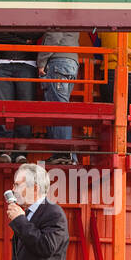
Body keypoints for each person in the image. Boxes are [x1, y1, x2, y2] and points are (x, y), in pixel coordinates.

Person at [0, 31, 43, 162]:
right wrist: (23, 40)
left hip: (27, 64)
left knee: (25, 110)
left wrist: (11, 37)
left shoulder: (33, 14)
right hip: (5, 63)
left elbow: (36, 34)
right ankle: (6, 151)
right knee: (2, 108)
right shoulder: (1, 16)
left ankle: (21, 153)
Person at [37, 31, 81, 164]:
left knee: (59, 109)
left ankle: (64, 153)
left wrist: (41, 62)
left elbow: (54, 36)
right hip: (71, 62)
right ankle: (62, 154)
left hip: (58, 62)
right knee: (61, 108)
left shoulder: (56, 13)